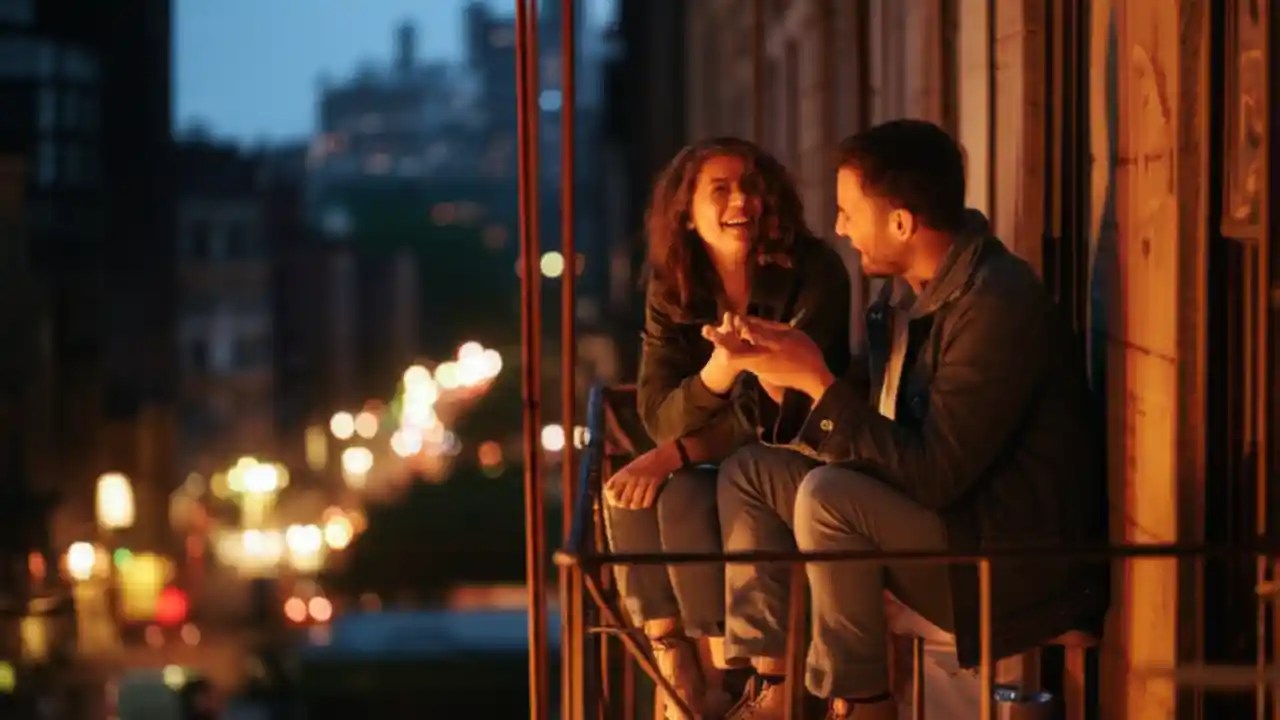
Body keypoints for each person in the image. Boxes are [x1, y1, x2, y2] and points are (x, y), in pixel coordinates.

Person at [710, 120, 1107, 719]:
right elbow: (878, 422)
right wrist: (782, 371)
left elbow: (935, 475)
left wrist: (818, 383)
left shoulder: (994, 304)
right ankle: (772, 689)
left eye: (849, 212)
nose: (839, 228)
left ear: (900, 223)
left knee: (827, 498)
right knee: (750, 474)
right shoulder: (904, 294)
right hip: (938, 519)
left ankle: (862, 704)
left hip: (1002, 561)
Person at [602, 136, 851, 718]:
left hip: (800, 447)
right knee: (633, 495)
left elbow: (780, 410)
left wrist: (678, 451)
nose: (742, 200)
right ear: (688, 214)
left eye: (751, 187)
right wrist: (719, 371)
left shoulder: (812, 272)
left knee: (682, 486)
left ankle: (722, 679)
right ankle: (677, 664)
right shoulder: (673, 285)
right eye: (721, 190)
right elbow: (658, 414)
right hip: (714, 453)